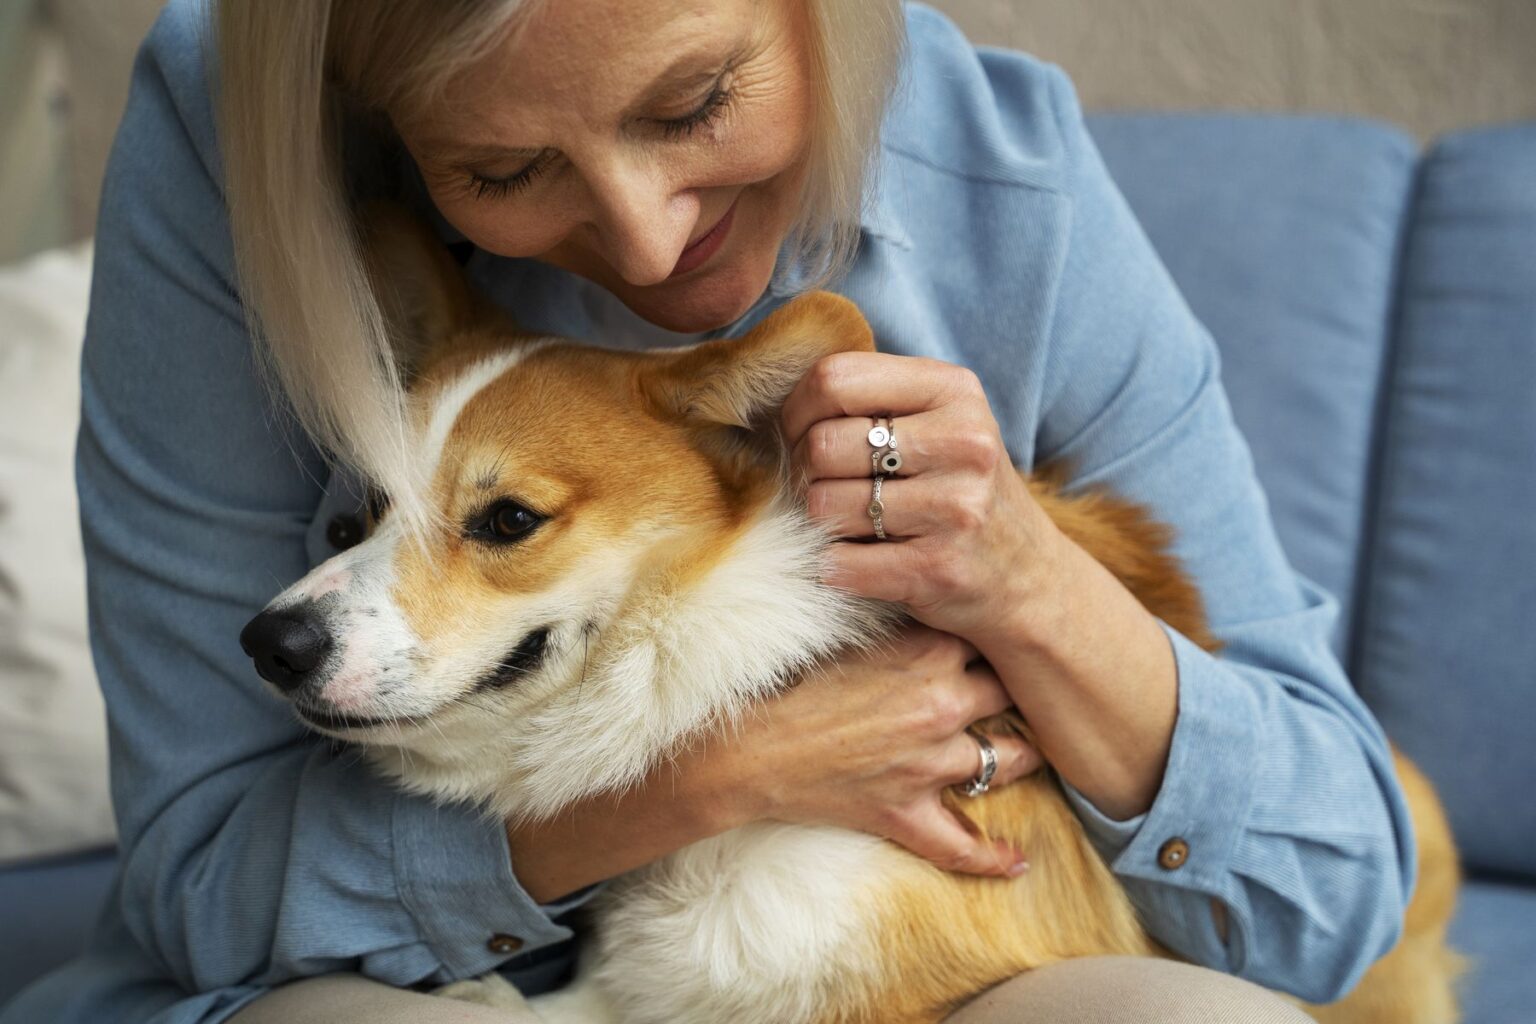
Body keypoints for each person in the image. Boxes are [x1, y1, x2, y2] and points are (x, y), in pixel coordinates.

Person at [0, 0, 1413, 1021]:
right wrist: (719, 775)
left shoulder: (1007, 182)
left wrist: (1028, 579)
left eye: (692, 105)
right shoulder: (233, 138)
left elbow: (1340, 890)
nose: (648, 236)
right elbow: (201, 885)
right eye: (503, 170)